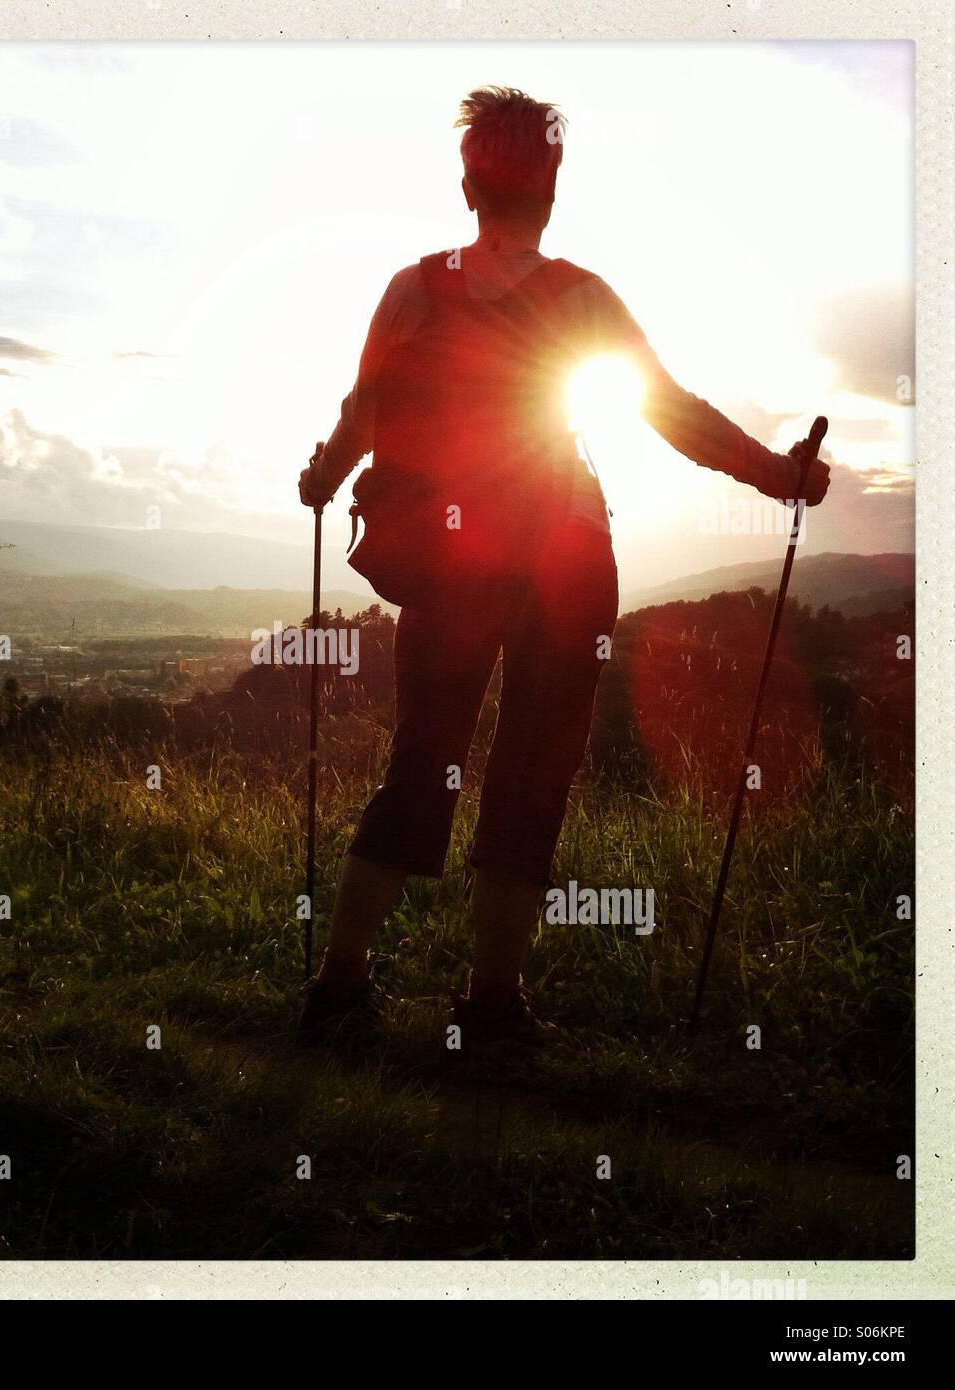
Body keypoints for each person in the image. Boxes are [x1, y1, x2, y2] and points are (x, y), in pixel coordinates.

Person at [296, 86, 830, 1046]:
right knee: (532, 773)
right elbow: (674, 415)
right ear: (548, 192)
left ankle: (339, 985)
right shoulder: (580, 297)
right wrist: (781, 475)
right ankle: (491, 1007)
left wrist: (322, 481)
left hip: (448, 561)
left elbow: (362, 412)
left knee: (423, 762)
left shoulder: (413, 289)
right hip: (565, 554)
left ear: (468, 186)